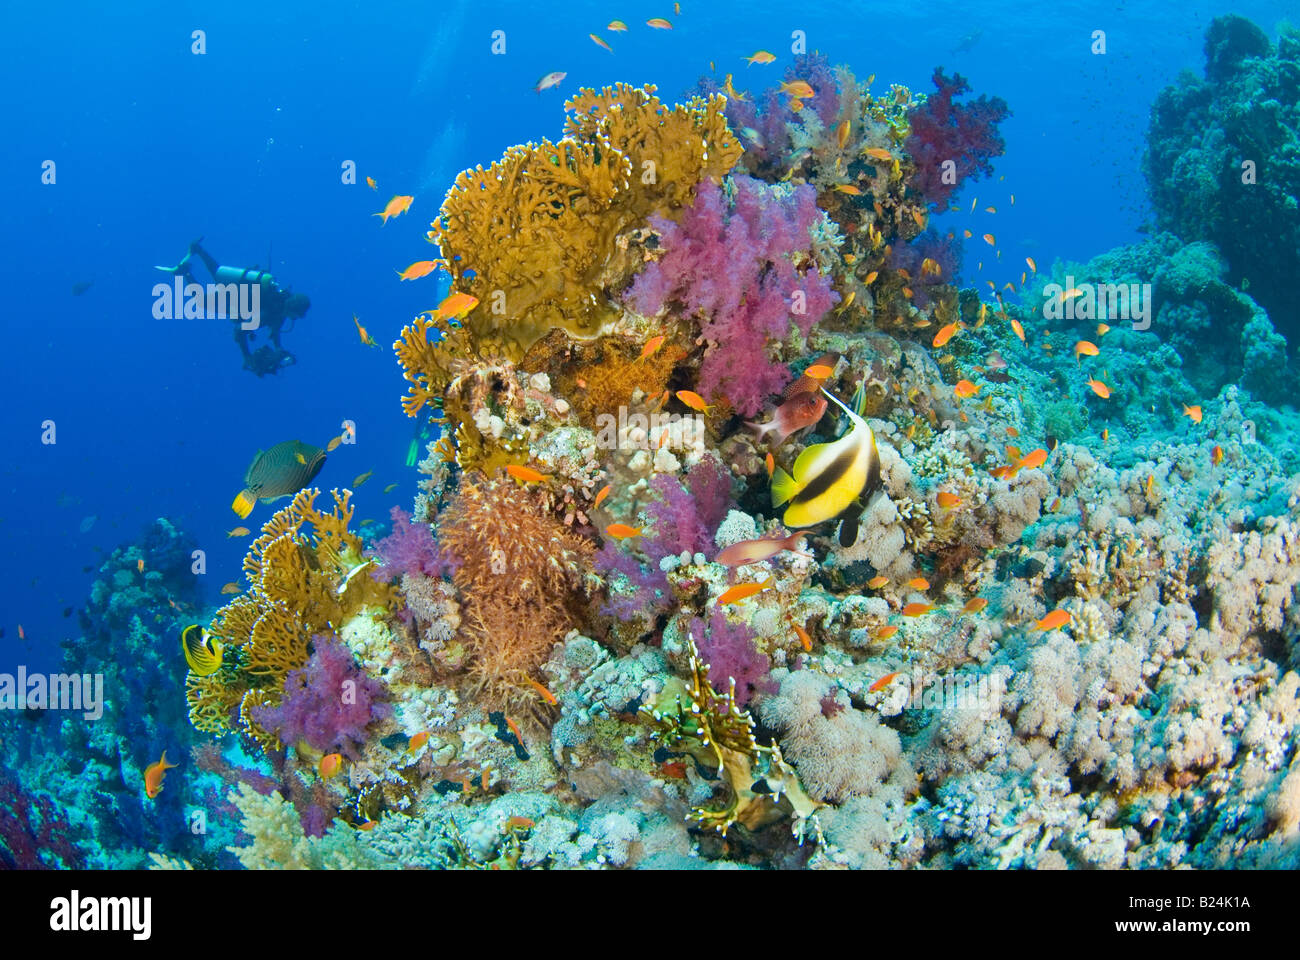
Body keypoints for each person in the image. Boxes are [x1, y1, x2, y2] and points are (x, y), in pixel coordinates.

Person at [156, 238, 310, 376]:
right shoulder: (272, 312)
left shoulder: (280, 305)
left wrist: (279, 349)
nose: (295, 318)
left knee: (217, 273)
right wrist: (247, 357)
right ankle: (185, 272)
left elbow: (275, 331)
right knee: (202, 301)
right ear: (293, 310)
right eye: (297, 315)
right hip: (234, 300)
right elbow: (240, 331)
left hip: (240, 292)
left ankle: (198, 249)